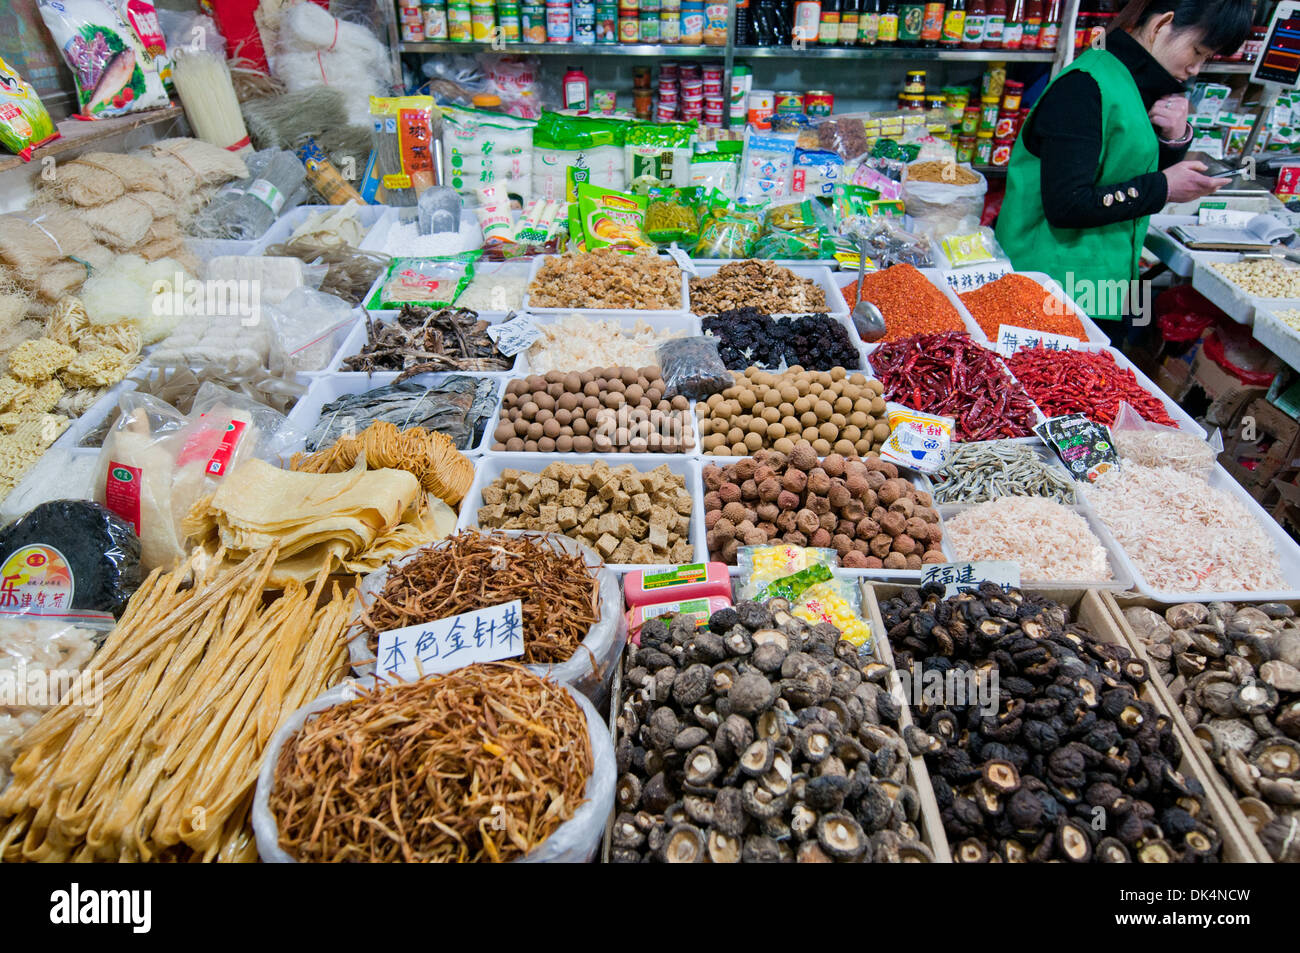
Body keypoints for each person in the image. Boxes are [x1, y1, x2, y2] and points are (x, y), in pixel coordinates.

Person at [995, 0, 1255, 327]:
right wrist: (1163, 188)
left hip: (1104, 282)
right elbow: (1067, 204)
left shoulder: (1133, 82)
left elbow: (1127, 166)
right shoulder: (1085, 86)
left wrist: (1173, 139)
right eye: (1198, 51)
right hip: (1051, 289)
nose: (1196, 69)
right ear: (1162, 24)